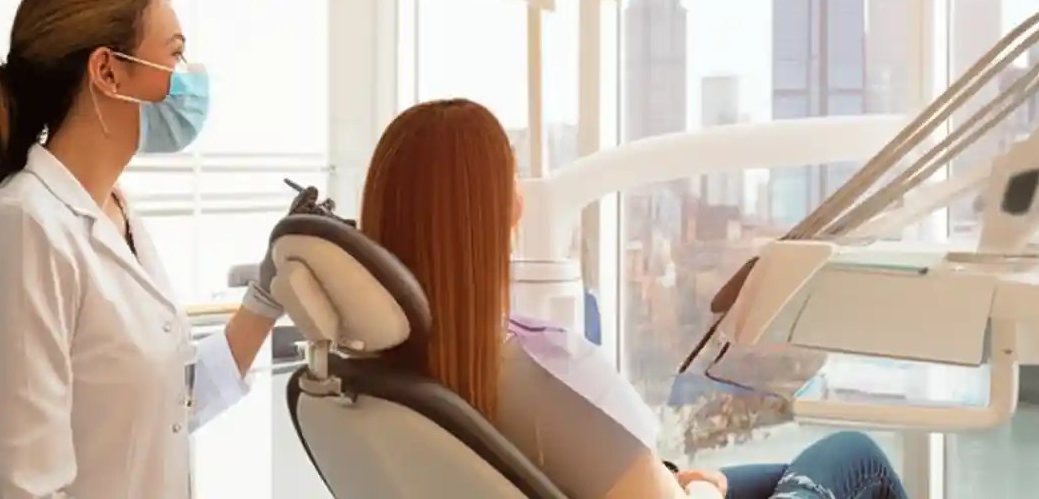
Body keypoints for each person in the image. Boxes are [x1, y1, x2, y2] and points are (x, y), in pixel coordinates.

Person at [359, 98, 909, 499]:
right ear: (503, 213)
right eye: (512, 185)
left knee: (782, 471)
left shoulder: (383, 371)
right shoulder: (542, 371)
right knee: (854, 459)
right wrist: (704, 494)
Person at [0, 0, 286, 499]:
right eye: (174, 54)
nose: (188, 77)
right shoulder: (25, 230)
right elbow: (26, 486)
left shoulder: (114, 212)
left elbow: (168, 405)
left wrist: (265, 299)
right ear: (107, 70)